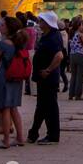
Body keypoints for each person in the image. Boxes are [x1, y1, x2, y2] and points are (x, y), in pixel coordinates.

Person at [28, 11, 64, 145]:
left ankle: (52, 135)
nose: (39, 23)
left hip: (48, 77)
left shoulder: (53, 37)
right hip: (43, 77)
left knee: (49, 107)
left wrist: (48, 69)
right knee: (43, 106)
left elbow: (59, 56)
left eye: (41, 21)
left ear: (47, 23)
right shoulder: (47, 35)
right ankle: (33, 133)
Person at [0, 17, 26, 148]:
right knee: (13, 108)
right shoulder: (20, 42)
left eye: (3, 24)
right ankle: (20, 137)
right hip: (16, 77)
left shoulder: (3, 44)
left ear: (8, 27)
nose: (0, 26)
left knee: (5, 108)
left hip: (4, 76)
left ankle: (6, 140)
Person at [67, 16, 83, 100]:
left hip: (72, 55)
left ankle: (71, 94)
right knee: (80, 76)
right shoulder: (80, 34)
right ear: (79, 25)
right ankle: (78, 95)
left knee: (73, 75)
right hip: (81, 55)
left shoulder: (71, 33)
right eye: (82, 25)